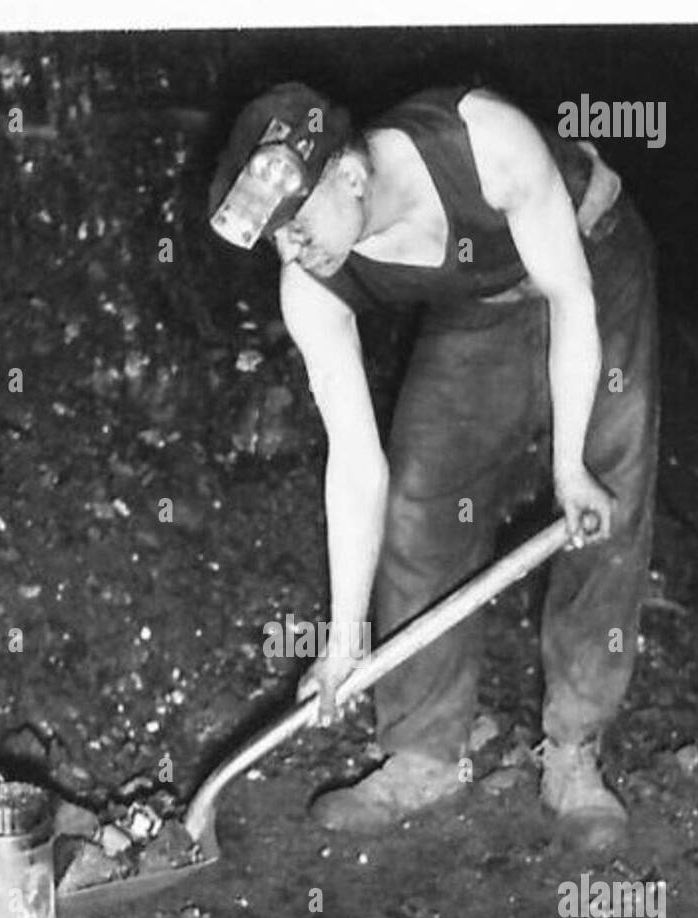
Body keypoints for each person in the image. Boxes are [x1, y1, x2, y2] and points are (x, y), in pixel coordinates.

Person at [208, 82, 659, 851]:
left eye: (295, 223)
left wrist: (569, 469)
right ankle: (421, 753)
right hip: (476, 305)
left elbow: (569, 299)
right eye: (274, 237)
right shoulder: (310, 284)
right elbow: (356, 465)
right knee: (422, 500)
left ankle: (576, 750)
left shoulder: (487, 144)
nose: (292, 249)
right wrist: (344, 638)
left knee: (602, 503)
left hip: (589, 261)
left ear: (349, 175)